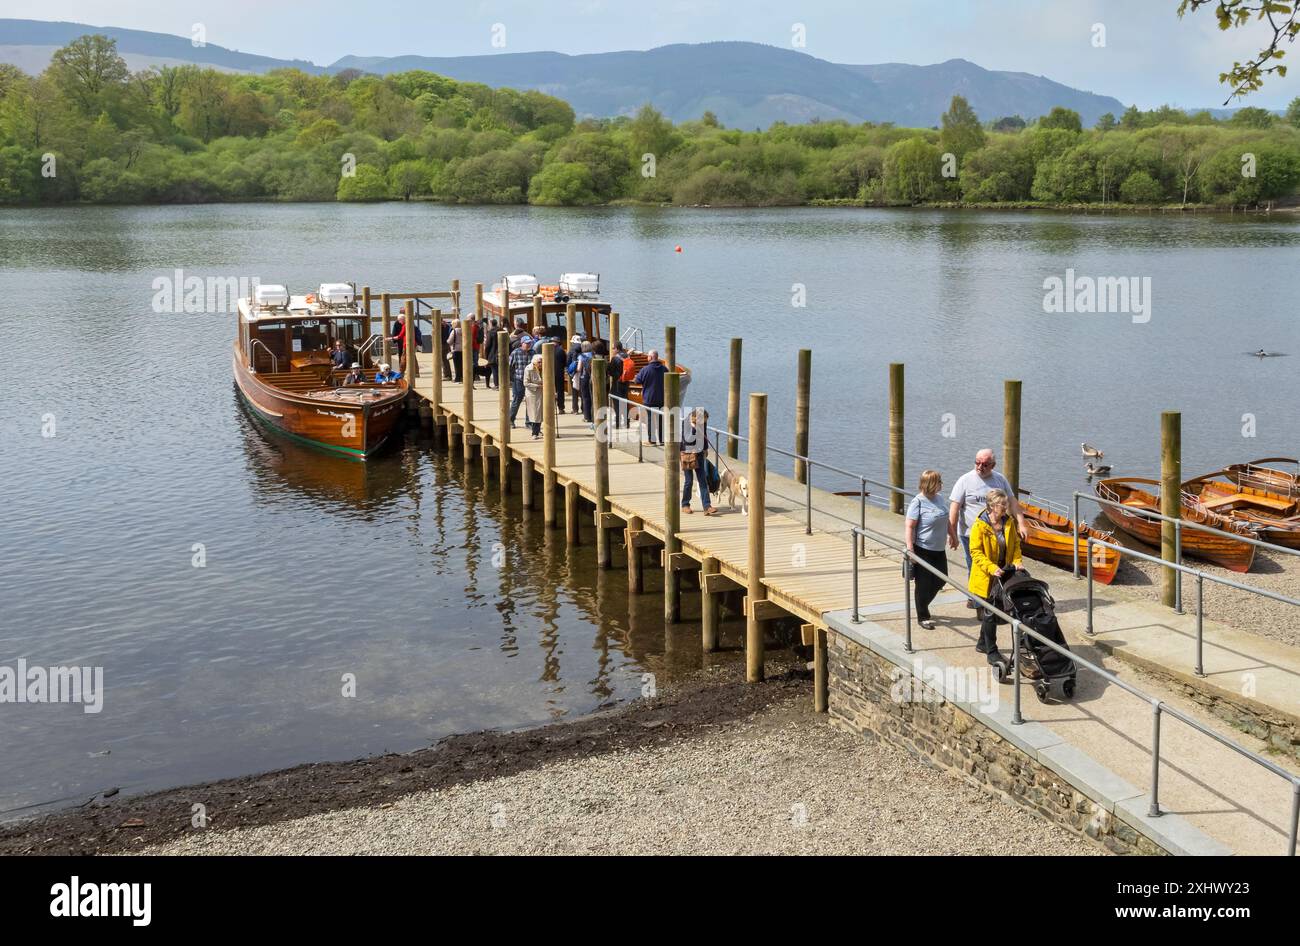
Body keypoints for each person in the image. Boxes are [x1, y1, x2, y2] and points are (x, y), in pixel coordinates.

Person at [947, 448, 1027, 610]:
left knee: (997, 566)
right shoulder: (965, 480)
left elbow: (1012, 502)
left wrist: (1022, 523)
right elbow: (954, 508)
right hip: (971, 533)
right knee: (976, 567)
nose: (980, 467)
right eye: (977, 462)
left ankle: (989, 598)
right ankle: (980, 604)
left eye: (984, 464)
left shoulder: (1000, 480)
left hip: (997, 532)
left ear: (993, 465)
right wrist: (952, 534)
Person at [967, 489, 1023, 664]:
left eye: (1006, 504)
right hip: (986, 576)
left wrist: (1017, 562)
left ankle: (982, 643)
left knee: (993, 611)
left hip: (1004, 574)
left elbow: (1015, 546)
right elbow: (975, 552)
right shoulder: (979, 526)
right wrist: (991, 568)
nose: (1006, 507)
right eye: (1002, 505)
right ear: (991, 506)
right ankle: (992, 651)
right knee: (990, 613)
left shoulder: (1009, 523)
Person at [905, 470, 950, 630]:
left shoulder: (940, 498)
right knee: (923, 584)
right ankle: (923, 615)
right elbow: (910, 526)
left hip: (939, 548)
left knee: (941, 578)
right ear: (930, 484)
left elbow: (946, 519)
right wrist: (910, 548)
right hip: (922, 549)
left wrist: (953, 535)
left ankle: (922, 604)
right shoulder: (917, 502)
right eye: (939, 481)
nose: (941, 484)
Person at [681, 409, 717, 516]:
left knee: (703, 480)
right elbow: (687, 440)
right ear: (696, 418)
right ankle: (685, 504)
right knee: (689, 481)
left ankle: (707, 506)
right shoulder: (686, 423)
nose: (704, 423)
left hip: (699, 453)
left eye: (705, 422)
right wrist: (694, 428)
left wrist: (706, 449)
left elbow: (704, 435)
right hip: (687, 454)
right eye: (703, 421)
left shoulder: (702, 423)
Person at [635, 350, 668, 444]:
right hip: (661, 399)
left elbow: (637, 381)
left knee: (650, 419)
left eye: (648, 356)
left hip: (649, 399)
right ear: (657, 357)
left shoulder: (645, 369)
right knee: (660, 419)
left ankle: (652, 440)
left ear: (650, 357)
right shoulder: (664, 369)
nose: (647, 358)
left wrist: (638, 376)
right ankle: (661, 440)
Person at [508, 337, 532, 426]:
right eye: (527, 343)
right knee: (517, 400)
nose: (528, 345)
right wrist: (511, 379)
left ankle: (528, 422)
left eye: (530, 343)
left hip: (530, 381)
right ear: (522, 343)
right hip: (518, 380)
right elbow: (509, 366)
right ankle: (511, 420)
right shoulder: (515, 352)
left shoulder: (533, 352)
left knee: (529, 401)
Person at [523, 353, 545, 439]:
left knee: (540, 413)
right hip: (533, 394)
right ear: (535, 362)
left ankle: (538, 431)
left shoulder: (544, 368)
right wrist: (538, 386)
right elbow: (526, 383)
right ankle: (534, 433)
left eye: (542, 362)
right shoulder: (528, 369)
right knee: (535, 414)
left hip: (542, 393)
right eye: (539, 362)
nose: (541, 364)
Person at [609, 342, 628, 428]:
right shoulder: (627, 356)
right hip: (626, 383)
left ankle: (617, 423)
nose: (612, 350)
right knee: (625, 402)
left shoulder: (615, 358)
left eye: (613, 348)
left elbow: (610, 372)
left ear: (617, 348)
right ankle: (627, 422)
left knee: (617, 403)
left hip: (617, 383)